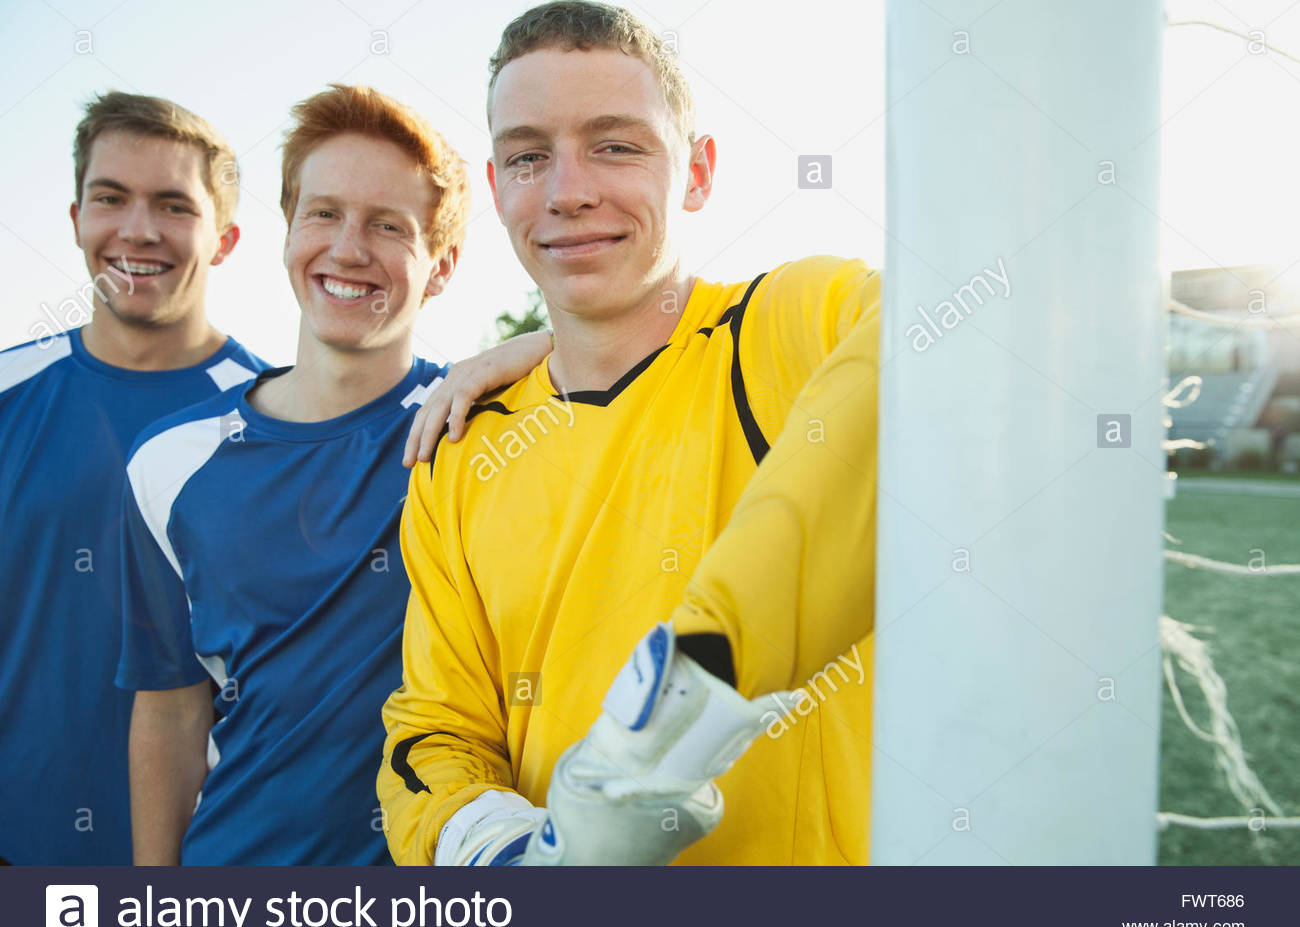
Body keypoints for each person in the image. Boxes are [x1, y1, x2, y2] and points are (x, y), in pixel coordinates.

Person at [381, 0, 877, 866]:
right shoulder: (458, 450)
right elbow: (435, 734)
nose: (569, 190)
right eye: (529, 156)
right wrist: (515, 855)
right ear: (496, 189)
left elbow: (941, 343)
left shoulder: (791, 326)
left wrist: (670, 715)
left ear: (697, 170)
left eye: (615, 144)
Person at [115, 84, 553, 864]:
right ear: (287, 233)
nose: (349, 249)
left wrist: (547, 345)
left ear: (442, 265)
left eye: (388, 226)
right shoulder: (170, 460)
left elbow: (652, 362)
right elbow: (172, 710)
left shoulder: (486, 430)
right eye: (323, 214)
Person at [0, 92, 267, 864]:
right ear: (77, 218)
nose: (138, 229)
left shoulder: (272, 422)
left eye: (174, 205)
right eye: (111, 198)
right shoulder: (11, 393)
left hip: (205, 864)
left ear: (224, 238)